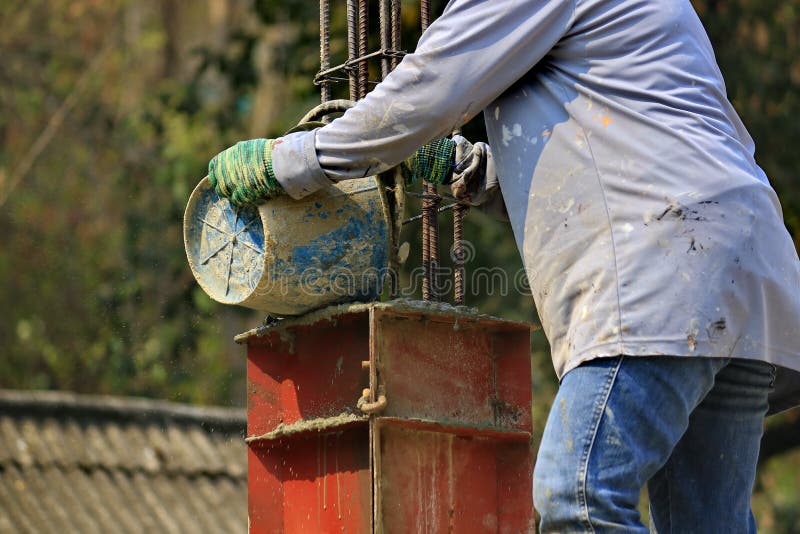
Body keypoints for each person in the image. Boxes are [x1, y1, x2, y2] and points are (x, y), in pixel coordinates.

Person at [207, 0, 800, 531]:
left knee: (579, 500)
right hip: (749, 273)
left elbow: (427, 90)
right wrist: (468, 168)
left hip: (668, 268)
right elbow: (617, 139)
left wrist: (293, 160)